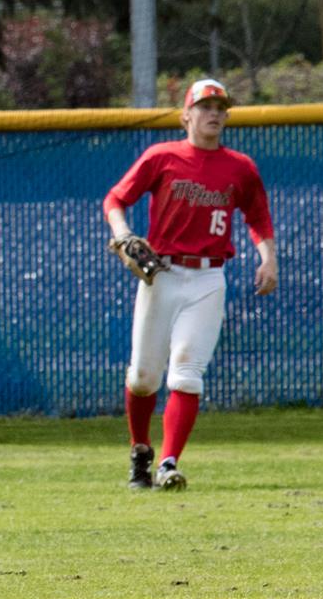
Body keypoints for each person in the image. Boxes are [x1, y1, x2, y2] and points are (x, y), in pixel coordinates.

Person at [103, 78, 277, 491]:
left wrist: (268, 258)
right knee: (144, 376)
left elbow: (258, 218)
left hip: (208, 278)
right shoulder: (162, 156)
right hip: (161, 275)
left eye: (220, 107)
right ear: (186, 115)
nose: (214, 114)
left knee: (186, 372)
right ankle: (141, 450)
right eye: (204, 107)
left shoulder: (240, 167)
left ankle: (167, 462)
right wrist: (123, 232)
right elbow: (115, 198)